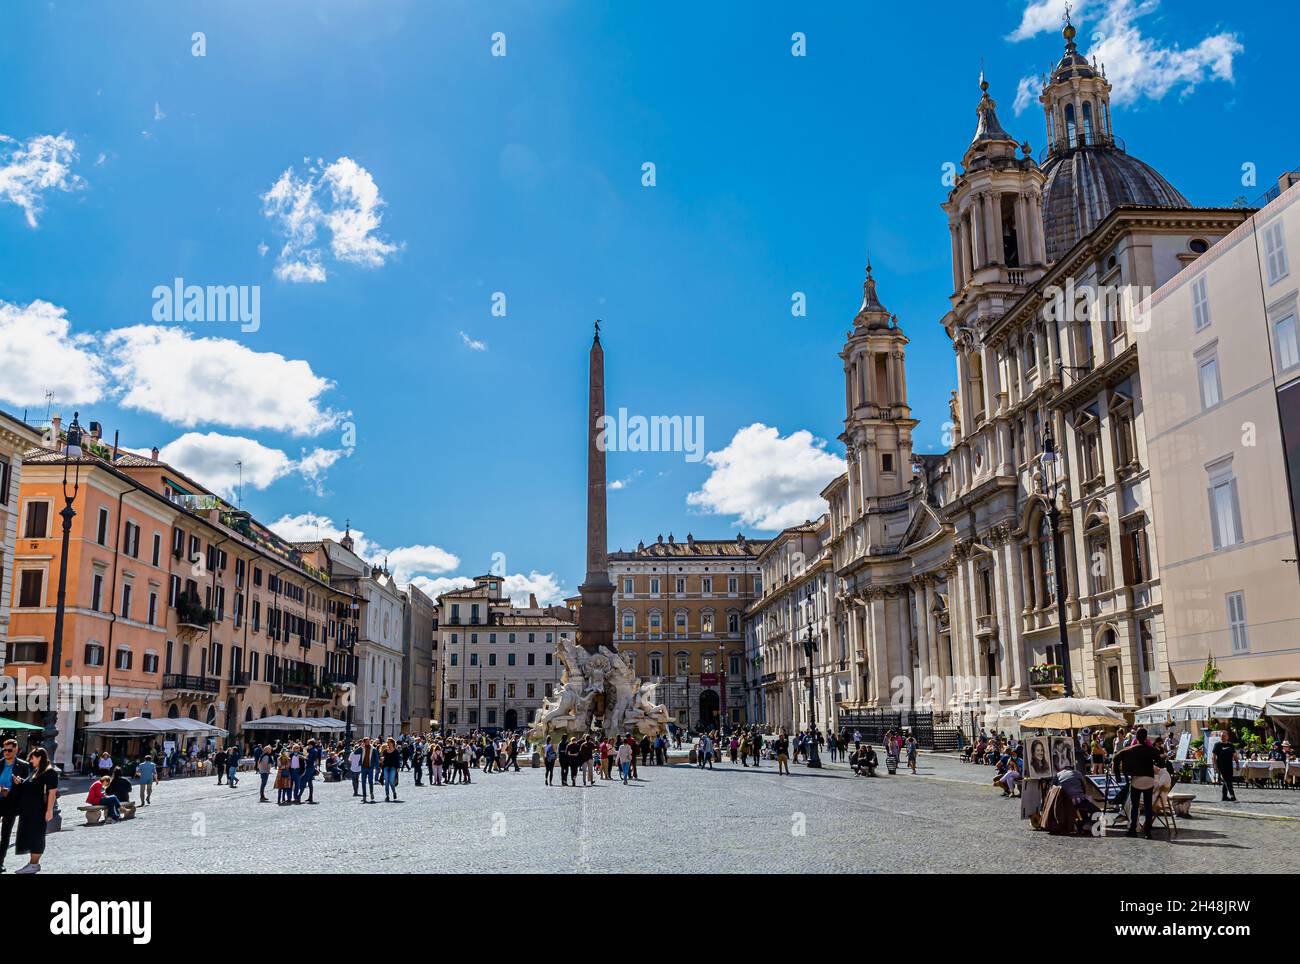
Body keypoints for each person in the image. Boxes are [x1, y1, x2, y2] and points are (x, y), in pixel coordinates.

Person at [1112, 727, 1166, 839]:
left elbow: (1116, 757)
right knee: (1147, 806)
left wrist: (1118, 776)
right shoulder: (1150, 749)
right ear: (1146, 738)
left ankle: (1133, 829)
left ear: (1136, 737)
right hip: (1149, 779)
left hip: (1137, 779)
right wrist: (1158, 761)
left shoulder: (1130, 749)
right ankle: (1148, 832)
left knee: (1135, 805)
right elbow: (1160, 761)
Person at [12, 747, 57, 874]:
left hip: (38, 810)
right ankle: (31, 863)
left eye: (32, 757)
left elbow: (52, 793)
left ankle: (34, 864)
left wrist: (49, 811)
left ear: (40, 757)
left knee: (37, 836)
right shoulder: (36, 771)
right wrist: (20, 782)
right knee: (29, 835)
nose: (30, 760)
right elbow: (31, 787)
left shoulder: (50, 772)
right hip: (28, 810)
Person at [0, 738, 32, 871]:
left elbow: (28, 784)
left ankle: (0, 861)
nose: (6, 752)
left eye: (9, 750)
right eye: (4, 750)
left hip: (11, 804)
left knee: (5, 833)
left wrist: (20, 782)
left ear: (16, 750)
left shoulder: (23, 765)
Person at [1212, 730, 1239, 802]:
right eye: (1221, 736)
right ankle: (1232, 795)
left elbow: (1234, 755)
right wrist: (1215, 766)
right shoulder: (1217, 745)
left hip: (1229, 766)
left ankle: (1224, 797)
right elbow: (1214, 757)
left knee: (1228, 780)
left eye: (1224, 736)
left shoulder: (1231, 745)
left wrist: (1237, 763)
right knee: (1226, 780)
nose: (1223, 737)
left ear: (1227, 737)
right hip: (1221, 766)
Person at [382, 738, 401, 802]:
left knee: (391, 781)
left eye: (389, 742)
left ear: (392, 743)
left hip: (393, 767)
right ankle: (387, 796)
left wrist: (398, 768)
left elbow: (398, 760)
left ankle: (394, 792)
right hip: (386, 767)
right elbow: (383, 758)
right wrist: (381, 759)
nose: (388, 743)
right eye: (387, 742)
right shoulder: (385, 751)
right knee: (386, 782)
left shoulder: (396, 751)